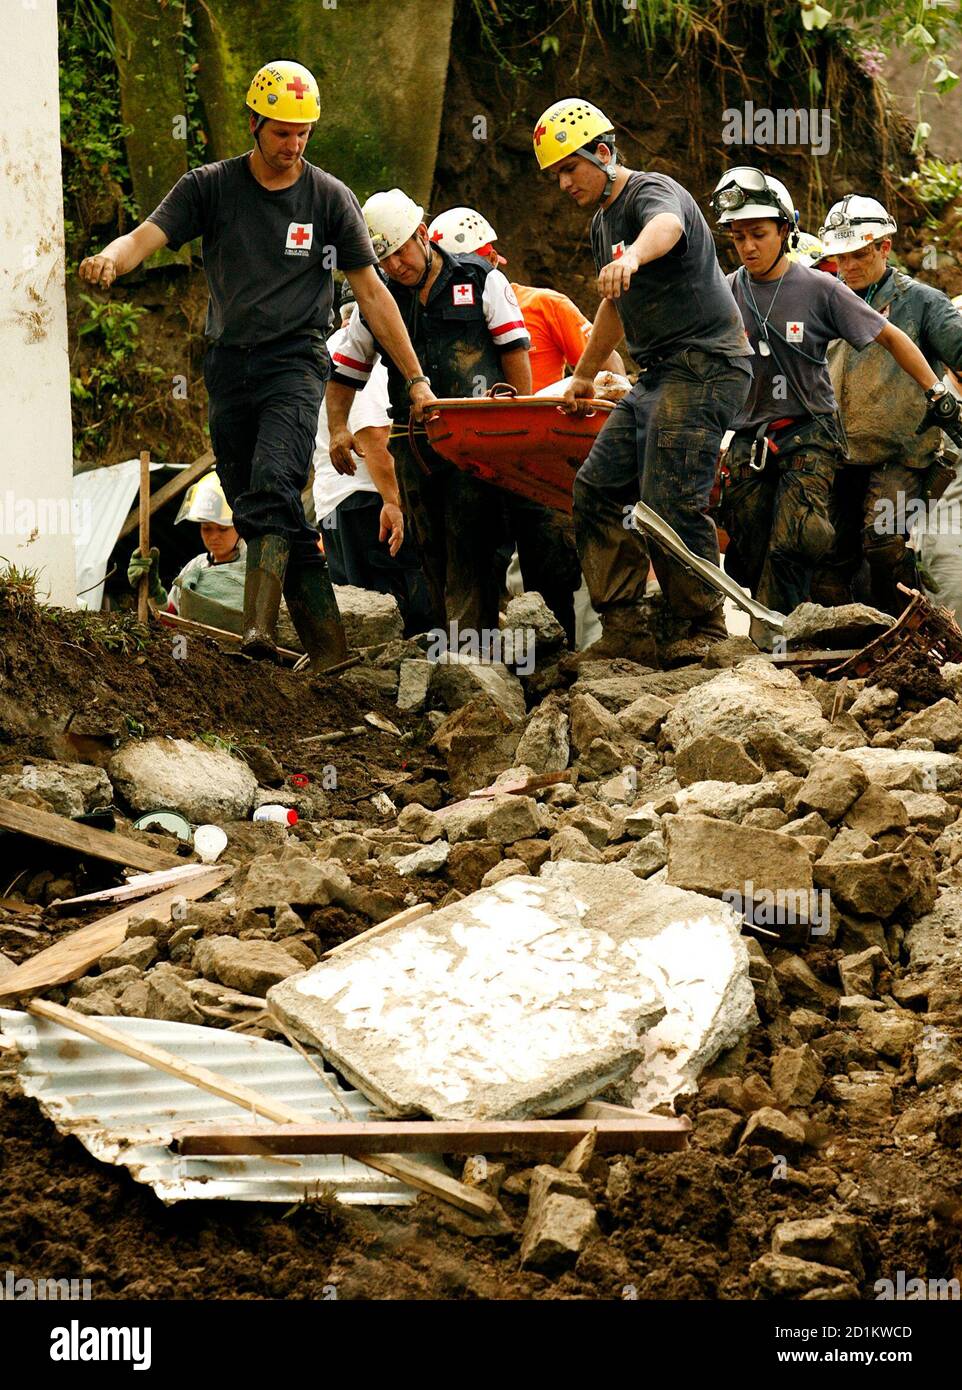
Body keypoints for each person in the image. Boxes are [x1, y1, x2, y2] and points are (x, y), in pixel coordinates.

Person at [79, 59, 437, 672]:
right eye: (281, 132)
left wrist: (417, 378)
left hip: (296, 362)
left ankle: (258, 633)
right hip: (228, 367)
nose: (293, 145)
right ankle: (329, 651)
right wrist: (111, 260)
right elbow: (145, 236)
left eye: (303, 134)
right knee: (258, 510)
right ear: (253, 123)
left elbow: (373, 294)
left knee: (275, 482)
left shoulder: (329, 198)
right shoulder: (209, 188)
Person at [532, 97, 754, 669]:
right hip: (657, 377)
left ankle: (703, 627)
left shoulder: (651, 192)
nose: (562, 184)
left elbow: (668, 225)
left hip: (706, 364)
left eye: (570, 169)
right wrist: (582, 375)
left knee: (668, 498)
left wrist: (632, 255)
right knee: (596, 489)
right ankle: (624, 625)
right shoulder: (601, 223)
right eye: (555, 175)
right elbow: (613, 306)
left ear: (603, 154)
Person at [325, 188, 532, 636]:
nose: (396, 266)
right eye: (386, 261)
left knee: (471, 533)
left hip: (478, 434)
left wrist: (518, 421)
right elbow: (345, 372)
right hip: (414, 441)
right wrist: (337, 427)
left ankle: (473, 643)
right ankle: (451, 640)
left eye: (401, 253)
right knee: (428, 541)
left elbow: (515, 351)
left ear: (422, 234)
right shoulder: (375, 302)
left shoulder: (480, 279)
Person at [426, 206, 602, 642]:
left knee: (551, 565)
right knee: (475, 562)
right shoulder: (431, 317)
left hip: (538, 458)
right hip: (476, 457)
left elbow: (604, 365)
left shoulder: (543, 304)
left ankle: (558, 663)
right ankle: (477, 661)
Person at [810, 196, 962, 615]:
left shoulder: (923, 303)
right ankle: (845, 638)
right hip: (838, 452)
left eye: (860, 254)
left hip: (902, 451)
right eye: (841, 257)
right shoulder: (826, 298)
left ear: (884, 247)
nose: (850, 266)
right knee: (828, 556)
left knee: (883, 543)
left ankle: (910, 628)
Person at [314, 285, 434, 635]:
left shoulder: (324, 354)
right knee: (399, 616)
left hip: (335, 500)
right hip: (369, 501)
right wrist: (396, 502)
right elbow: (374, 437)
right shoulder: (365, 355)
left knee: (361, 619)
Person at [427, 206, 625, 392]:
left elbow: (609, 363)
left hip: (545, 422)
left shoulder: (545, 305)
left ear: (492, 261)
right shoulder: (430, 317)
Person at [127, 471, 246, 627]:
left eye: (223, 529)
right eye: (206, 528)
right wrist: (154, 593)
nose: (214, 536)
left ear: (240, 527)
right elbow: (171, 619)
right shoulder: (195, 566)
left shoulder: (254, 567)